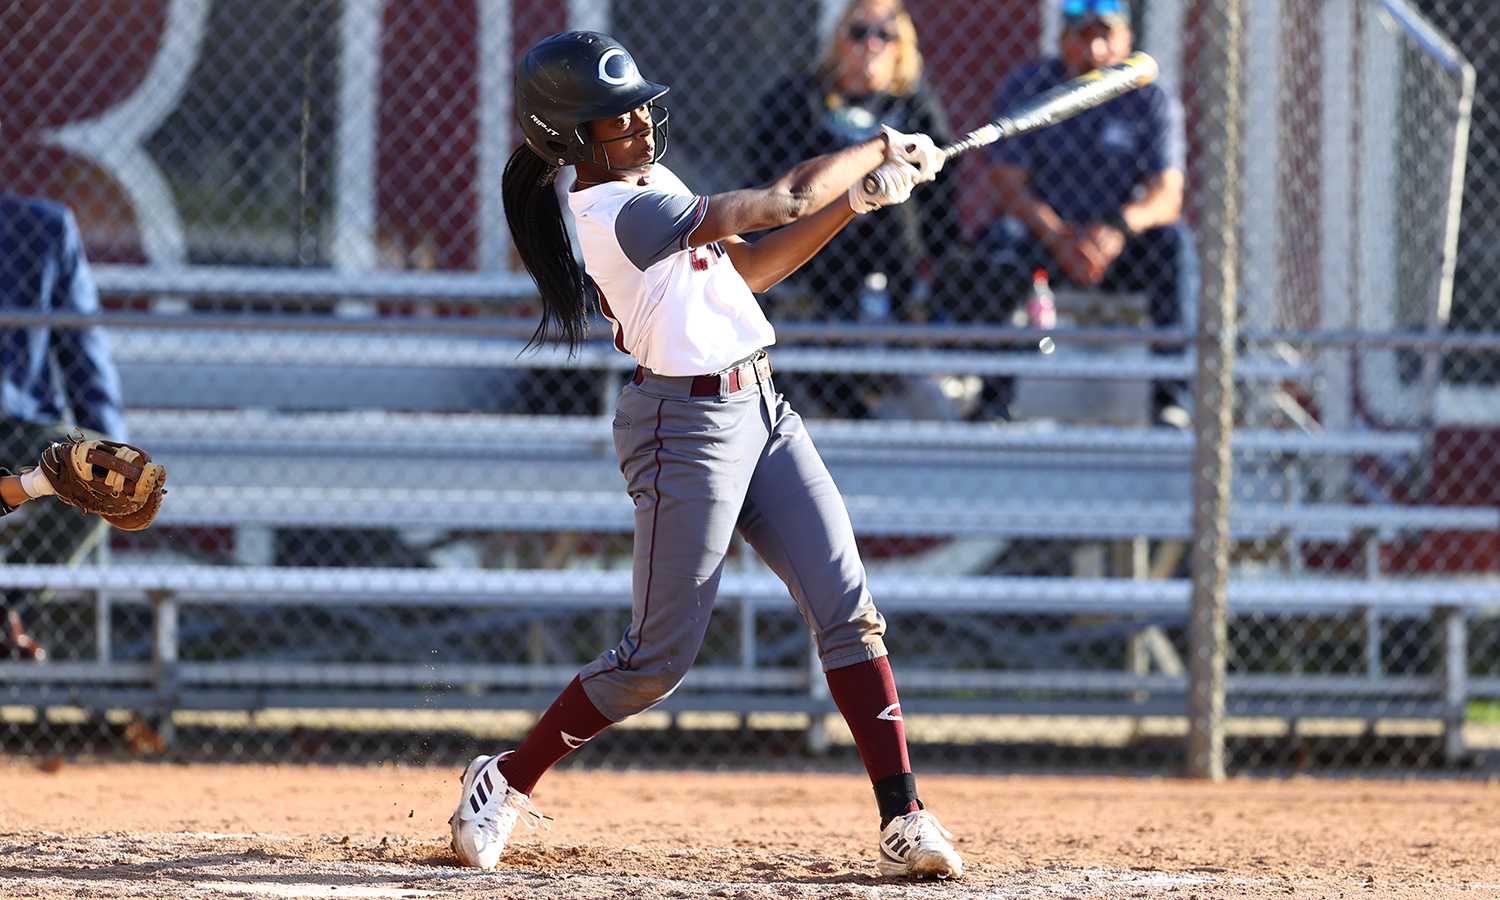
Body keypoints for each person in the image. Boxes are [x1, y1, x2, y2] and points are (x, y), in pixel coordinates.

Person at [447, 31, 963, 880]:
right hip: (682, 430)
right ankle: (503, 780)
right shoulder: (615, 210)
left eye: (640, 106)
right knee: (656, 662)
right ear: (571, 138)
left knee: (848, 608)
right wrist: (873, 144)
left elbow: (752, 271)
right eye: (616, 117)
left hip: (762, 407)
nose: (642, 122)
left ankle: (903, 813)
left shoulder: (650, 181)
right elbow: (780, 202)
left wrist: (860, 201)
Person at [979, 0, 1199, 427]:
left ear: (1127, 39)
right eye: (1084, 35)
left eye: (1106, 34)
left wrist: (1115, 231)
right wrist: (1058, 236)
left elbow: (1166, 194)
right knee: (1000, 244)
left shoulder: (1150, 98)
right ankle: (995, 400)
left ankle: (1173, 401)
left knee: (1174, 245)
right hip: (1044, 242)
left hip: (1117, 247)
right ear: (1063, 39)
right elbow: (1007, 183)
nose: (1096, 50)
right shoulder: (1028, 89)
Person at [748, 0, 963, 419]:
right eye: (859, 33)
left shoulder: (914, 103)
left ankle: (890, 330)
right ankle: (843, 381)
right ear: (838, 42)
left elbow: (943, 193)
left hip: (890, 245)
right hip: (818, 241)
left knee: (894, 206)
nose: (871, 45)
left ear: (903, 48)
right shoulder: (801, 97)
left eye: (885, 35)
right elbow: (770, 174)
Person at [0, 193, 129, 660]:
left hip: (16, 430)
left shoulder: (42, 230)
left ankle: (3, 606)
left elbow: (84, 353)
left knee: (116, 478)